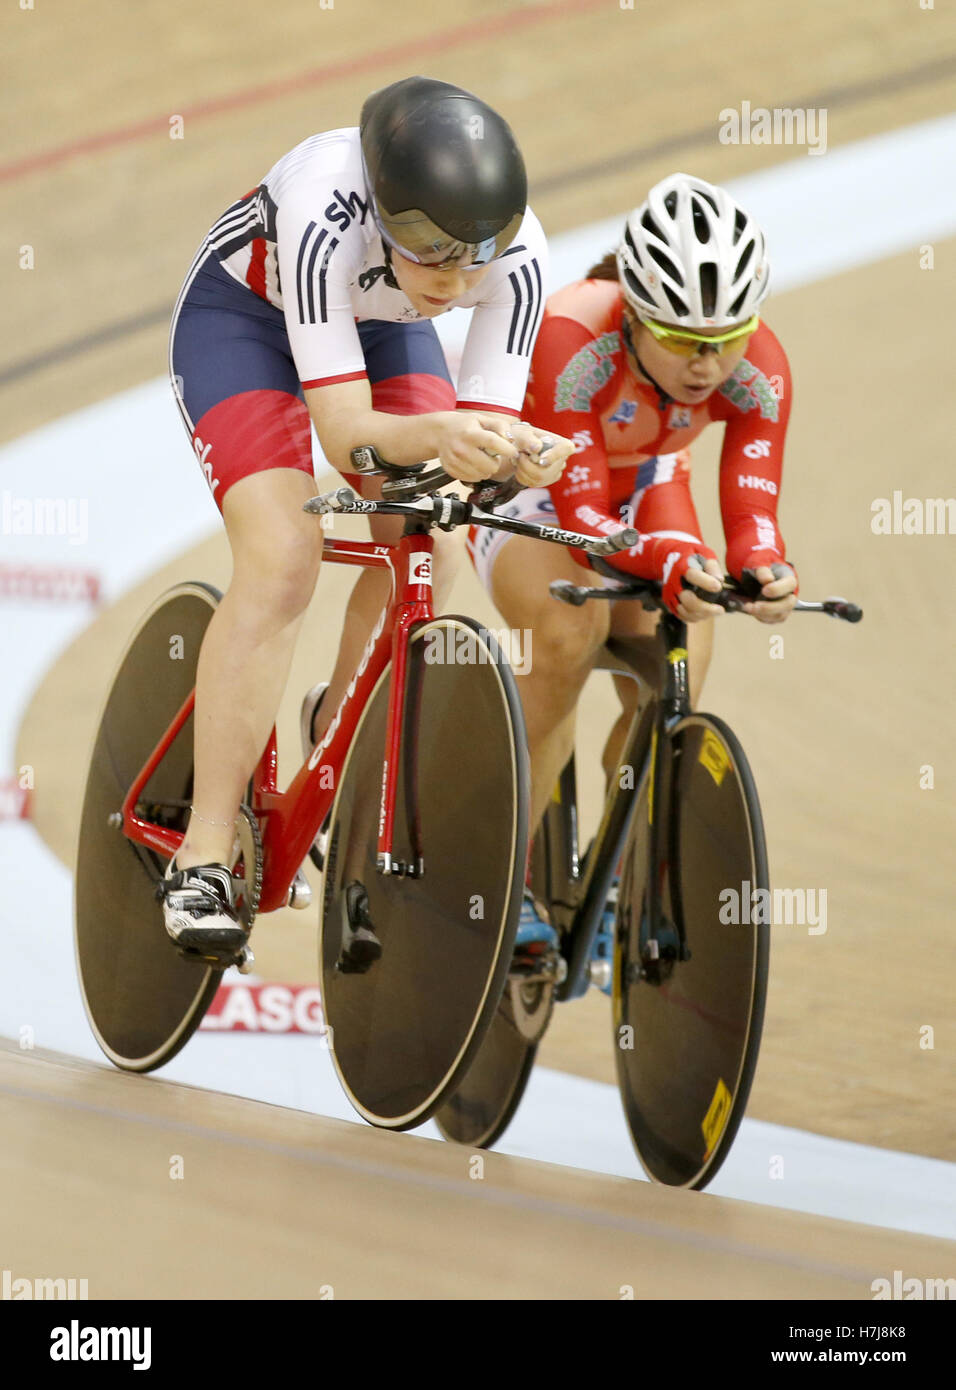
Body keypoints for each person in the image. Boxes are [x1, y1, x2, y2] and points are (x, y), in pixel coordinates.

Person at [161, 76, 573, 952]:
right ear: (385, 215)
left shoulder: (518, 255)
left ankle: (337, 720)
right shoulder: (323, 202)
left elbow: (485, 428)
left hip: (380, 330)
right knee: (283, 552)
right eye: (431, 253)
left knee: (436, 540)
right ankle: (201, 852)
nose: (457, 281)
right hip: (247, 324)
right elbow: (350, 438)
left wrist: (516, 450)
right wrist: (446, 432)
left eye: (474, 259)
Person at [466, 172, 798, 943]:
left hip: (649, 486)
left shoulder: (761, 366)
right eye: (683, 339)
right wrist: (675, 562)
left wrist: (763, 570)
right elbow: (583, 518)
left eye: (726, 339)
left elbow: (752, 516)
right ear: (635, 314)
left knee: (681, 654)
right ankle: (495, 873)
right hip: (537, 495)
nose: (707, 366)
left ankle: (608, 876)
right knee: (565, 637)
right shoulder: (573, 338)